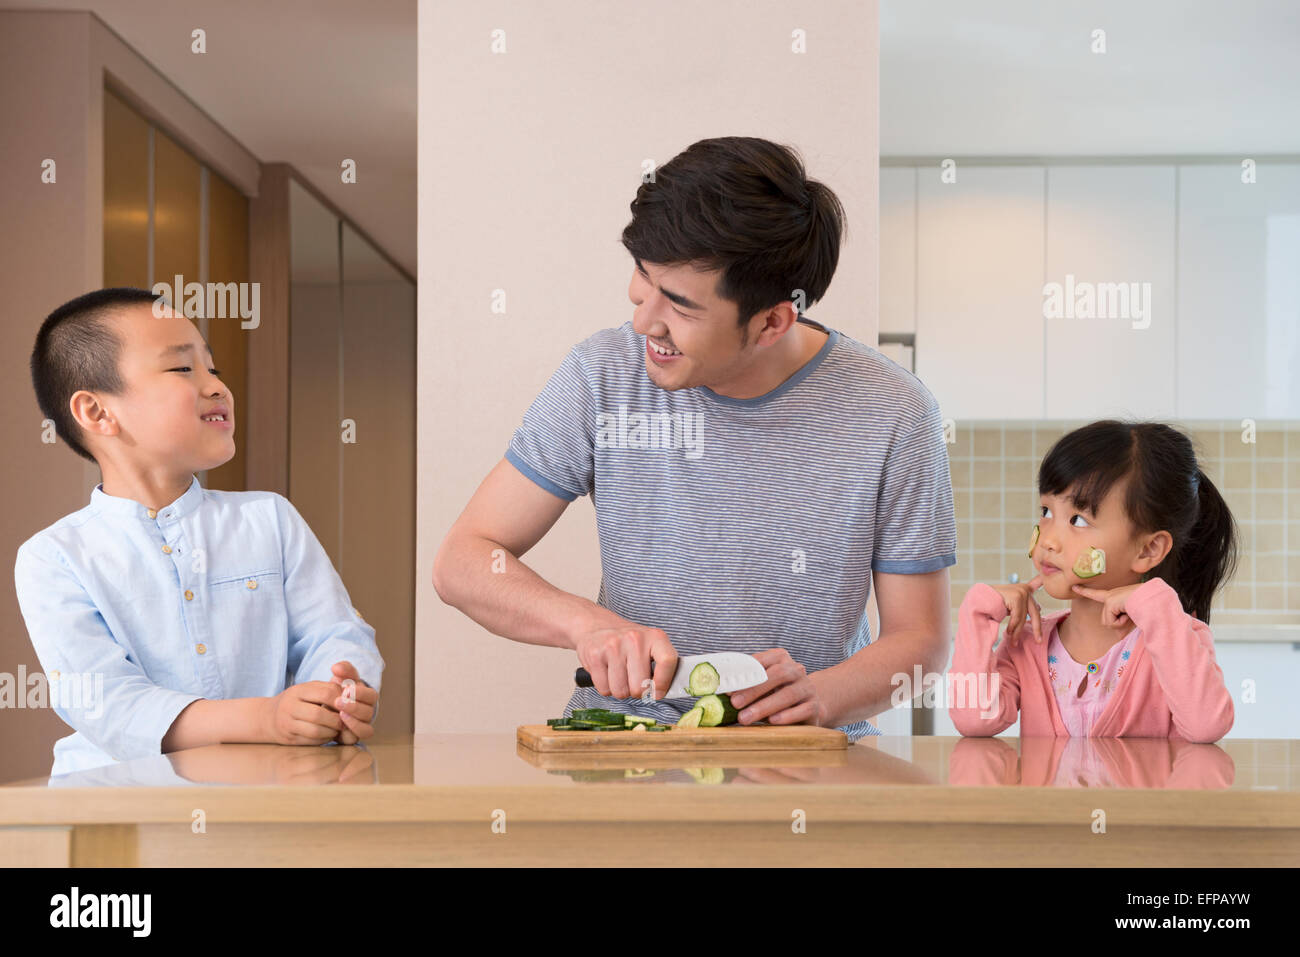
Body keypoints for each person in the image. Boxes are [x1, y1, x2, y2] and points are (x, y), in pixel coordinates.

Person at [434, 136, 956, 739]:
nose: (643, 319)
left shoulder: (894, 411)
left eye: (679, 304)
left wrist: (819, 696)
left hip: (805, 762)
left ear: (771, 321)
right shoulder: (602, 375)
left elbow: (921, 641)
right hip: (628, 753)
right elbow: (466, 558)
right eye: (641, 275)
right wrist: (587, 623)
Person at [14, 287, 383, 775]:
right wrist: (265, 718)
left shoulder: (269, 518)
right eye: (183, 368)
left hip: (274, 793)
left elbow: (334, 633)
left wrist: (336, 697)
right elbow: (105, 701)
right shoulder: (55, 556)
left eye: (214, 368)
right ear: (97, 412)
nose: (216, 387)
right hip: (116, 812)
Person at [948, 420, 1236, 742]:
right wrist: (977, 613)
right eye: (1045, 511)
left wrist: (1159, 607)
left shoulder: (1179, 637)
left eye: (1078, 520)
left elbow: (1206, 726)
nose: (1049, 541)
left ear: (1148, 549)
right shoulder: (1027, 643)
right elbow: (972, 719)